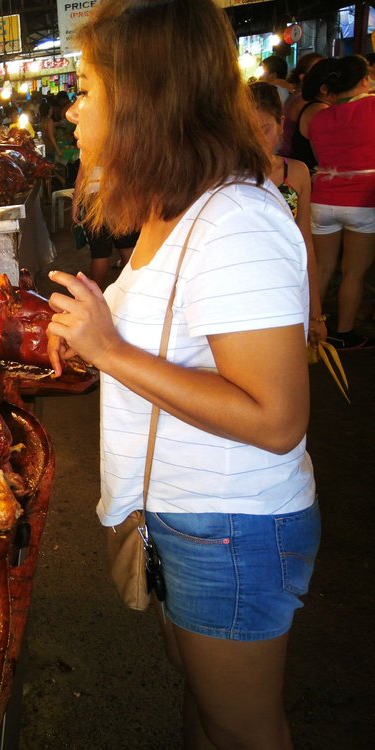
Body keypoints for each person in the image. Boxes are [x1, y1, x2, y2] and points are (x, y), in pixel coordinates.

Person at [45, 2, 318, 748]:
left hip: (231, 528)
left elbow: (275, 417)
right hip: (184, 520)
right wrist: (93, 338)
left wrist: (113, 353)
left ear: (142, 97)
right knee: (206, 712)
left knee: (245, 731)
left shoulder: (236, 220)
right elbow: (177, 349)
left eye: (89, 89)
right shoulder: (176, 205)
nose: (74, 111)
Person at [300, 54, 375, 350]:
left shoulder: (319, 117)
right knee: (353, 273)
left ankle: (309, 326)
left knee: (321, 268)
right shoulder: (371, 106)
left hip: (324, 199)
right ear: (364, 80)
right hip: (362, 201)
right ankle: (344, 333)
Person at [249, 81, 327, 347]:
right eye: (246, 131)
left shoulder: (297, 172)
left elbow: (305, 243)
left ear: (281, 124)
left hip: (287, 285)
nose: (257, 140)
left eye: (264, 129)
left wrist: (316, 314)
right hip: (246, 285)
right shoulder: (225, 176)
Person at [278, 52, 324, 156]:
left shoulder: (296, 96)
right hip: (294, 158)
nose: (323, 75)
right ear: (302, 76)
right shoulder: (305, 100)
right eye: (317, 71)